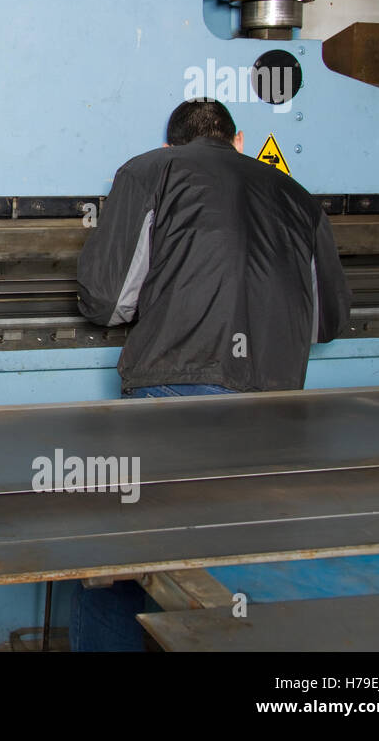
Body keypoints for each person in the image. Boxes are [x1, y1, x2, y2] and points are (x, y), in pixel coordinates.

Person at [69, 97, 351, 650]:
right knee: (237, 565)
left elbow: (105, 301)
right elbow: (327, 320)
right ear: (240, 140)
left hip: (176, 390)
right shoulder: (297, 195)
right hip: (275, 408)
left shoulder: (149, 169)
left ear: (173, 143)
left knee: (121, 556)